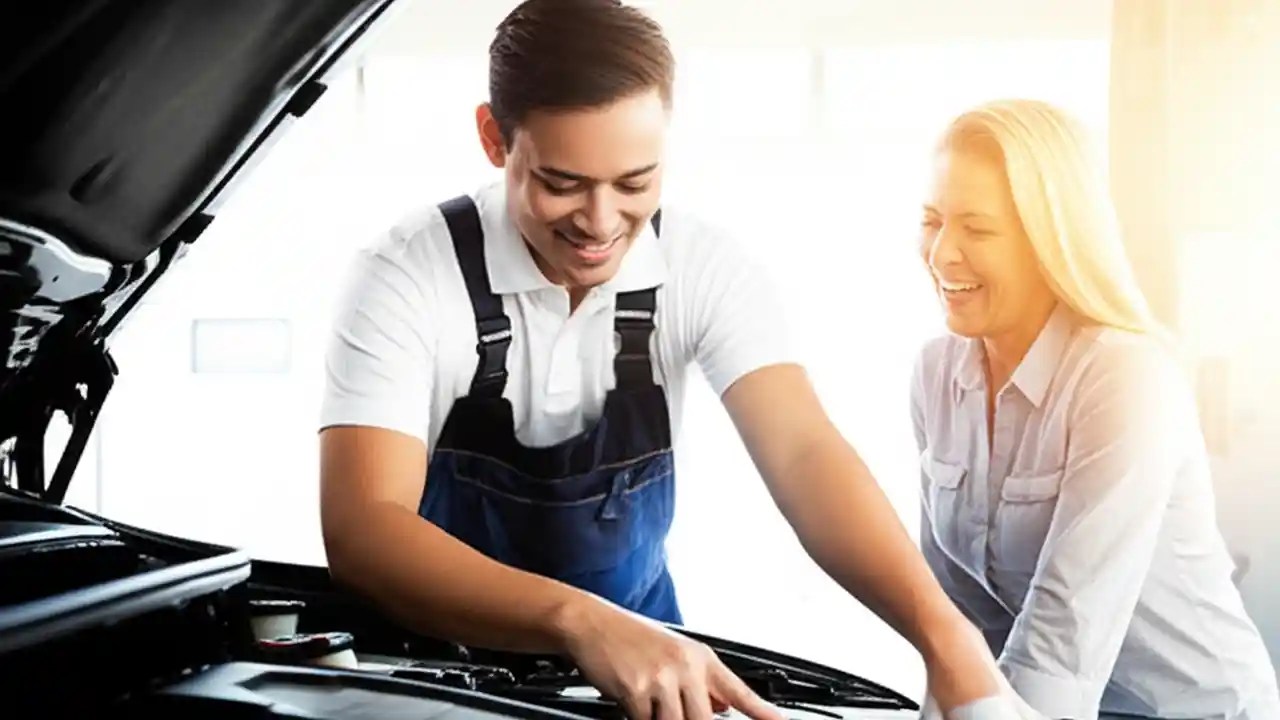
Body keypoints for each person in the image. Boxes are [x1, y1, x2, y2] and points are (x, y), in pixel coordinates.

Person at [318, 1, 1026, 718]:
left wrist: (946, 640)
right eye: (562, 183)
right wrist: (581, 621)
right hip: (434, 683)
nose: (599, 222)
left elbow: (805, 454)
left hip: (649, 682)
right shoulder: (406, 274)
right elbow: (364, 528)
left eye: (634, 183)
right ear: (495, 139)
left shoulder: (700, 266)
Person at [911, 97, 1280, 720]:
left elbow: (1063, 642)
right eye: (932, 220)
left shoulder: (1125, 375)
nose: (943, 252)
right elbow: (959, 623)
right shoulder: (935, 373)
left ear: (1050, 238)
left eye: (977, 228)